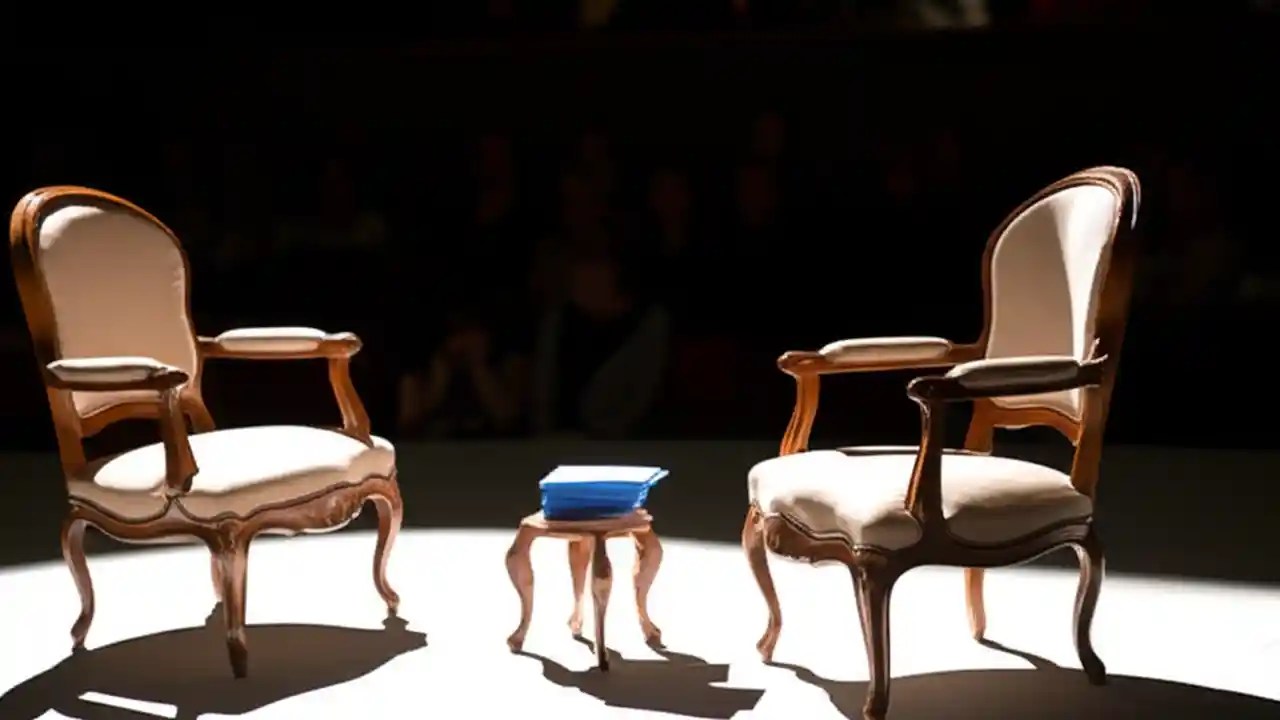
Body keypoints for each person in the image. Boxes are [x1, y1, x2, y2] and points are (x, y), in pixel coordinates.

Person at [531, 251, 669, 438]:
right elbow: (542, 390)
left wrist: (599, 437)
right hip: (555, 442)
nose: (579, 280)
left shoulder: (647, 324)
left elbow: (643, 398)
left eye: (592, 270)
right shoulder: (557, 321)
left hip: (621, 445)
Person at [396, 303, 528, 439]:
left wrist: (479, 367)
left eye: (473, 332)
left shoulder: (508, 366)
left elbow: (508, 417)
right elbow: (409, 432)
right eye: (458, 333)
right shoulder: (418, 377)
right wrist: (439, 383)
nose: (465, 342)